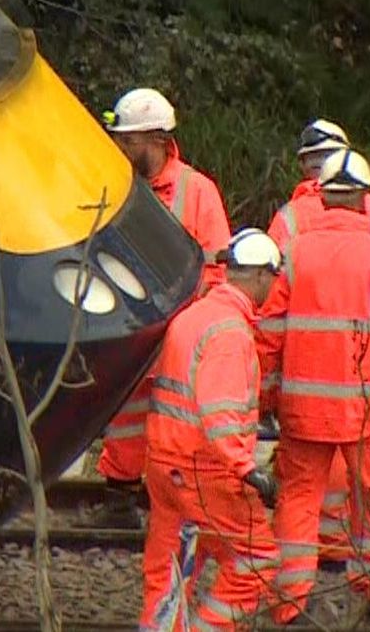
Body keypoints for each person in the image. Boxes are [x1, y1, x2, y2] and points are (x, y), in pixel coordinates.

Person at [257, 150, 370, 626]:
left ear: (322, 196)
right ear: (362, 199)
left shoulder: (292, 255)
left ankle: (290, 603)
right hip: (366, 411)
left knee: (296, 501)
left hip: (302, 410)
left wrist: (265, 397)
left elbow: (268, 335)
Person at [143, 229, 281, 632]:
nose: (275, 287)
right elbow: (218, 412)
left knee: (170, 568)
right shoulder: (230, 333)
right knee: (257, 560)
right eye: (274, 277)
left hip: (165, 462)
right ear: (259, 276)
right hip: (205, 469)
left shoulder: (193, 316)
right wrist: (246, 470)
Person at [99, 87, 233, 500]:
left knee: (174, 419)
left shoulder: (197, 192)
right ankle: (120, 489)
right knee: (126, 412)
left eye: (128, 139)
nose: (119, 146)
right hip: (127, 324)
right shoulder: (112, 184)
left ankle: (169, 495)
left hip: (178, 333)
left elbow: (217, 268)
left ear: (157, 140)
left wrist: (193, 328)